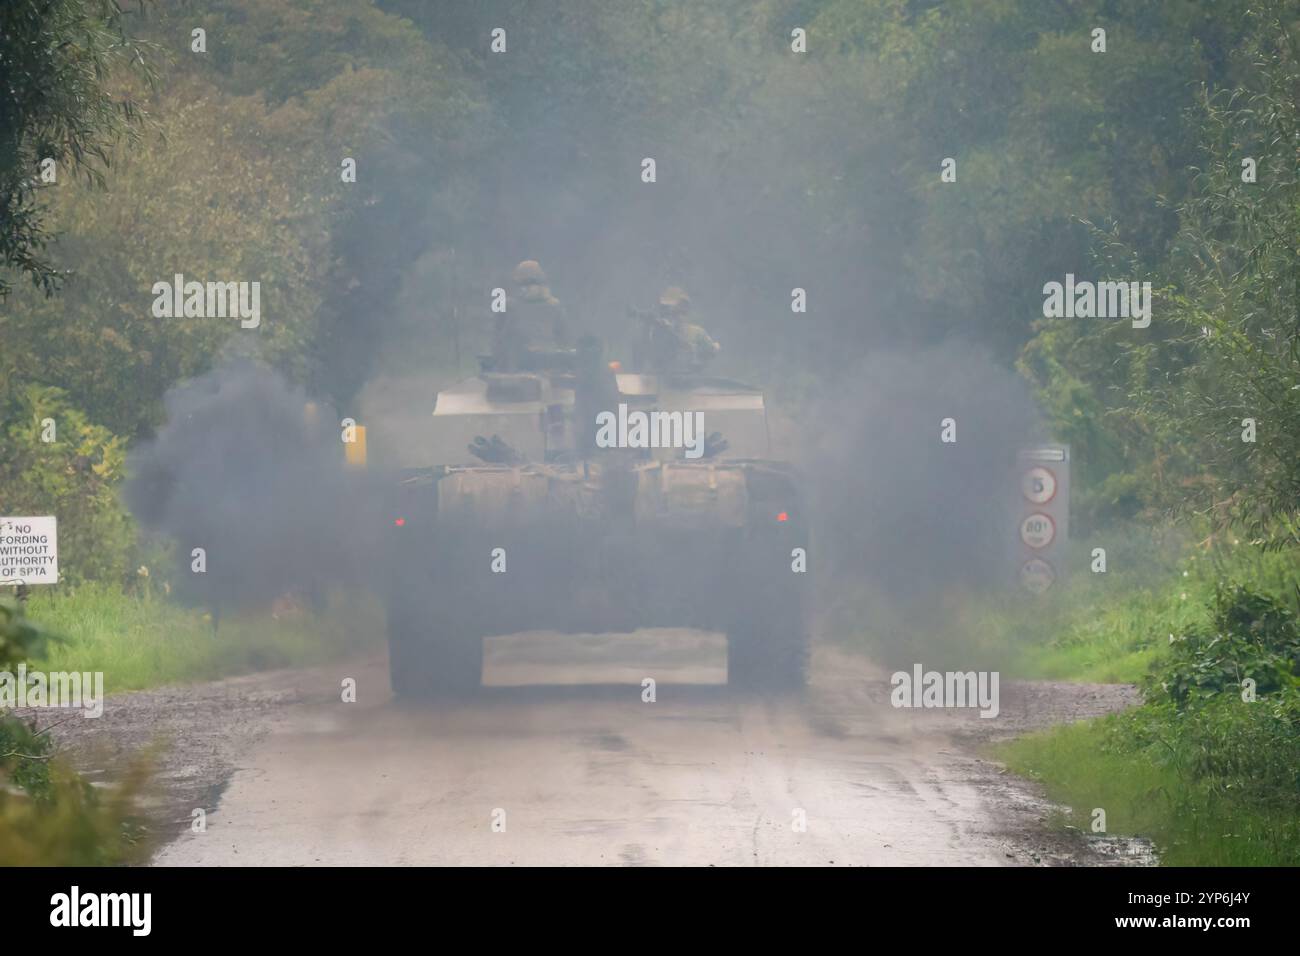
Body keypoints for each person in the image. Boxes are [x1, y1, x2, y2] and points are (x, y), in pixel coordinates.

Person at [494, 260, 570, 371]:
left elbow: (564, 337)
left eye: (527, 283)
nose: (523, 288)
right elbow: (564, 337)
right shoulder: (554, 305)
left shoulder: (510, 305)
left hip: (533, 364)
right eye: (520, 284)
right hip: (534, 364)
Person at [639, 286, 720, 374]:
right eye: (666, 309)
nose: (676, 315)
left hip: (690, 380)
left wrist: (702, 355)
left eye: (680, 311)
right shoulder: (656, 332)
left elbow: (711, 350)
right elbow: (648, 353)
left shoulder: (697, 333)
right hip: (661, 380)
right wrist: (647, 328)